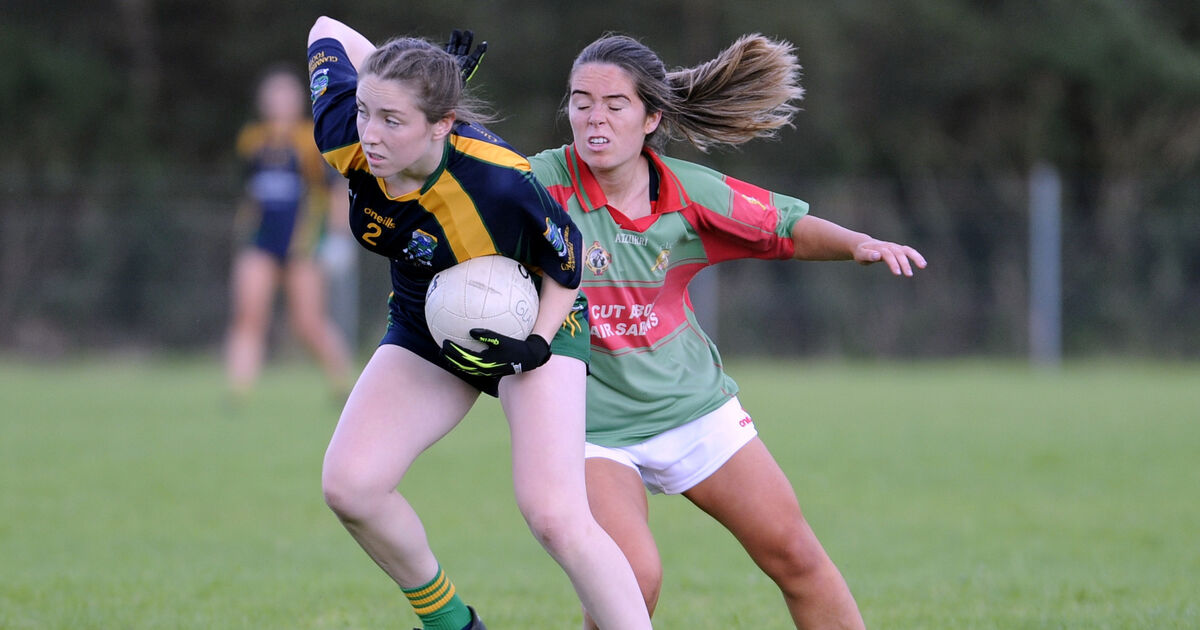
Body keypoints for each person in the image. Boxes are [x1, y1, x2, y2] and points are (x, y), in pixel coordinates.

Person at [466, 32, 927, 628]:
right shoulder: (534, 186)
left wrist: (859, 244)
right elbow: (454, 195)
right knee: (631, 576)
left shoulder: (687, 193)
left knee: (796, 557)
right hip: (589, 427)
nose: (594, 117)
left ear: (651, 117)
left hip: (691, 408)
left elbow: (784, 227)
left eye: (615, 104)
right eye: (581, 101)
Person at [305, 17, 653, 630]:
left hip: (539, 319)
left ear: (442, 123)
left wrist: (537, 345)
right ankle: (453, 624)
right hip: (425, 320)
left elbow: (567, 267)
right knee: (351, 486)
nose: (371, 134)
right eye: (365, 111)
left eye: (393, 120)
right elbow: (327, 26)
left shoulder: (498, 180)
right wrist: (418, 75)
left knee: (555, 515)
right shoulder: (345, 136)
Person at [225, 67, 354, 401]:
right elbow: (249, 193)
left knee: (307, 322)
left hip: (303, 246)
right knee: (248, 316)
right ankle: (238, 392)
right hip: (261, 242)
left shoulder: (310, 140)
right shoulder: (252, 140)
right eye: (273, 95)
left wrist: (338, 238)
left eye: (286, 95)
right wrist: (244, 230)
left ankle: (344, 385)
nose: (279, 102)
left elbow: (334, 191)